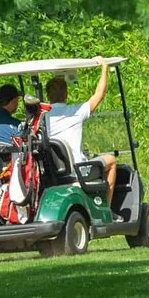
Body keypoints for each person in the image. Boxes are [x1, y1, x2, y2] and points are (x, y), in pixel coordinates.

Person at [42, 67, 119, 209]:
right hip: (79, 171)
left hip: (54, 173)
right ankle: (107, 209)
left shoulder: (43, 119)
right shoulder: (75, 112)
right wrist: (104, 68)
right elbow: (99, 94)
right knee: (111, 160)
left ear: (48, 96)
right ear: (66, 94)